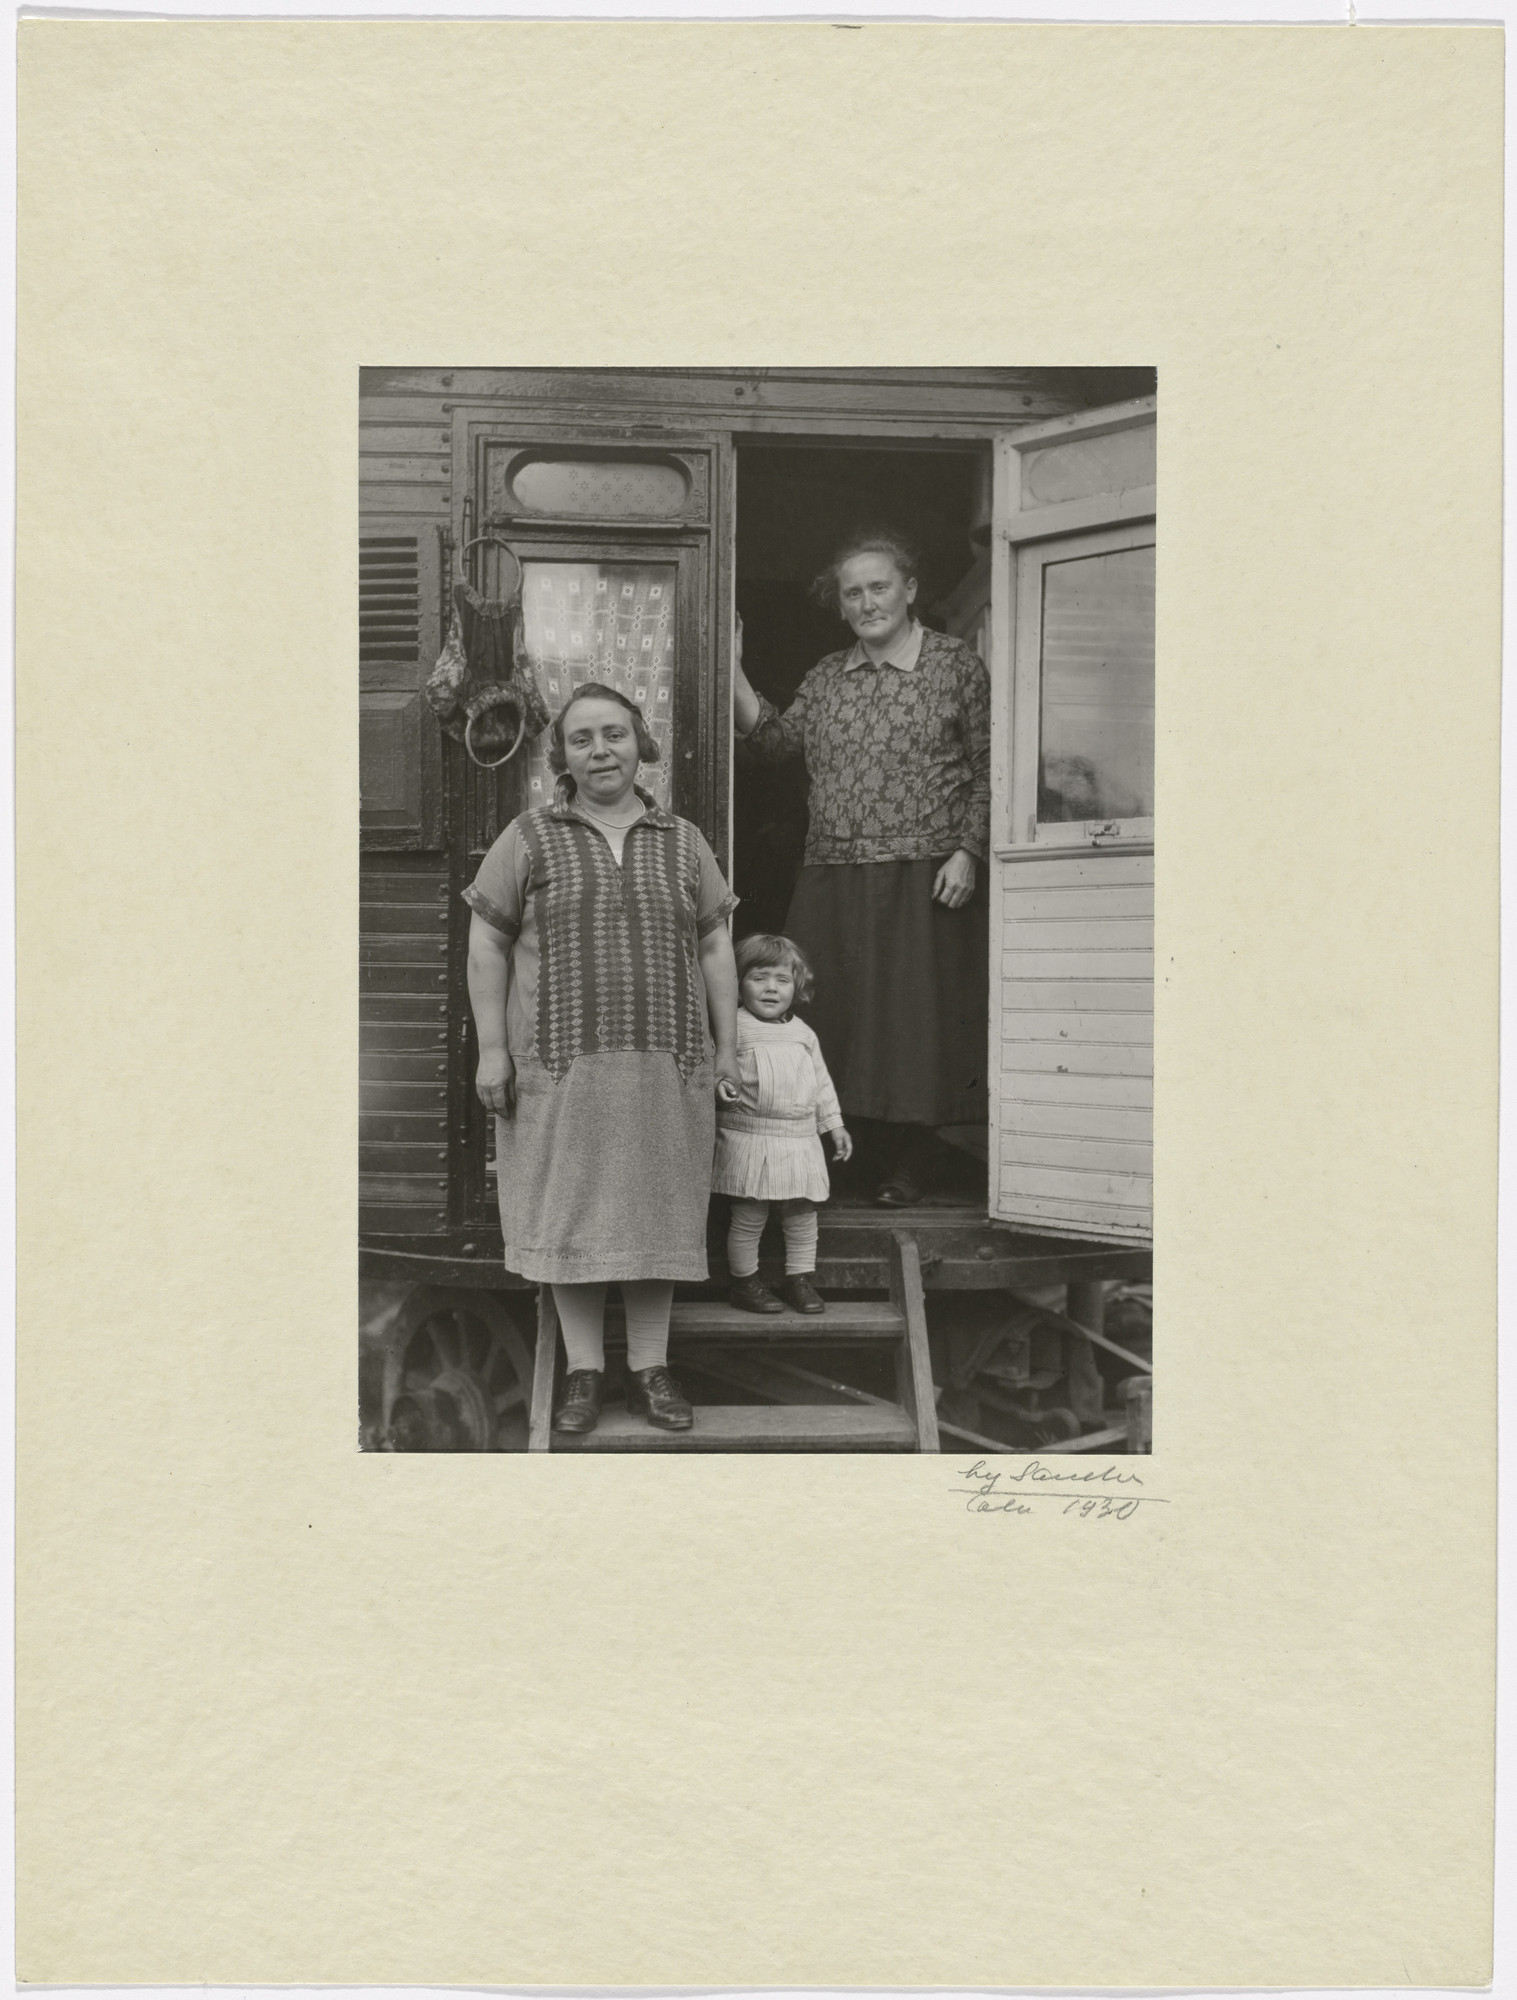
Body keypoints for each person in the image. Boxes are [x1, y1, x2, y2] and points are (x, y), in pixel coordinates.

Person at [463, 683, 741, 1437]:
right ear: (562, 755)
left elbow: (714, 943)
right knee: (572, 1213)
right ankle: (585, 1374)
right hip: (560, 1068)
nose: (600, 751)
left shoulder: (684, 840)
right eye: (581, 739)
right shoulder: (527, 836)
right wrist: (493, 1051)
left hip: (667, 1065)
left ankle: (651, 1371)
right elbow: (486, 940)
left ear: (639, 742)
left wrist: (727, 1046)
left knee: (657, 1211)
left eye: (613, 734)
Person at [732, 527, 991, 1205]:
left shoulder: (955, 666)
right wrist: (730, 667)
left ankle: (911, 1161)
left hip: (926, 871)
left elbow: (994, 766)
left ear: (909, 591)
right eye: (853, 593)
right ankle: (850, 1151)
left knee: (914, 1023)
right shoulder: (825, 676)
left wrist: (968, 851)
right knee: (837, 1016)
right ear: (839, 605)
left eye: (879, 586)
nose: (867, 601)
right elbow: (772, 745)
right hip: (835, 869)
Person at [713, 934, 853, 1316]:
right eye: (759, 978)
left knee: (802, 1210)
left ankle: (800, 1279)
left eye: (782, 979)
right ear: (738, 984)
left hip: (798, 1138)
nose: (771, 988)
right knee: (750, 1211)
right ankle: (745, 1283)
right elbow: (716, 1070)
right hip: (750, 1134)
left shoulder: (803, 1034)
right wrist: (720, 1086)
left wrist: (833, 1125)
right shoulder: (732, 1027)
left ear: (797, 985)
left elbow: (820, 1083)